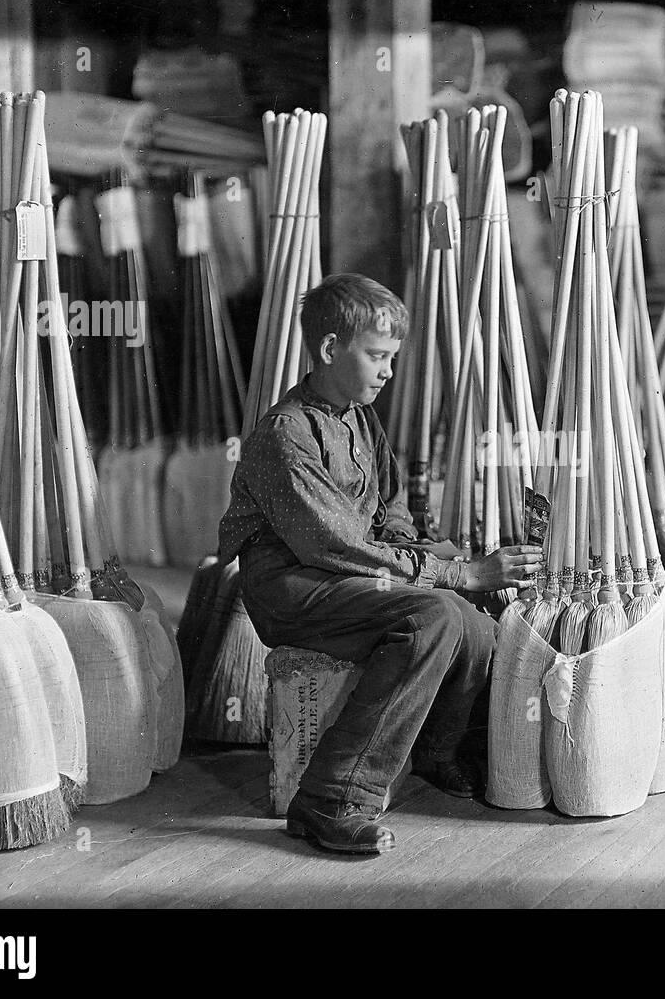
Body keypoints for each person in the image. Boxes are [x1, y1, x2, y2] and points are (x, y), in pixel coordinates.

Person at [219, 273, 542, 854]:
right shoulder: (285, 433)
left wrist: (426, 553)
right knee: (437, 614)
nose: (388, 371)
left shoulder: (360, 417)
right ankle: (332, 798)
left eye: (393, 357)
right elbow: (334, 544)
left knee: (473, 622)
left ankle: (439, 750)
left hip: (345, 577)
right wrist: (458, 573)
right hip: (293, 586)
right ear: (328, 350)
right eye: (376, 356)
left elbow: (390, 511)